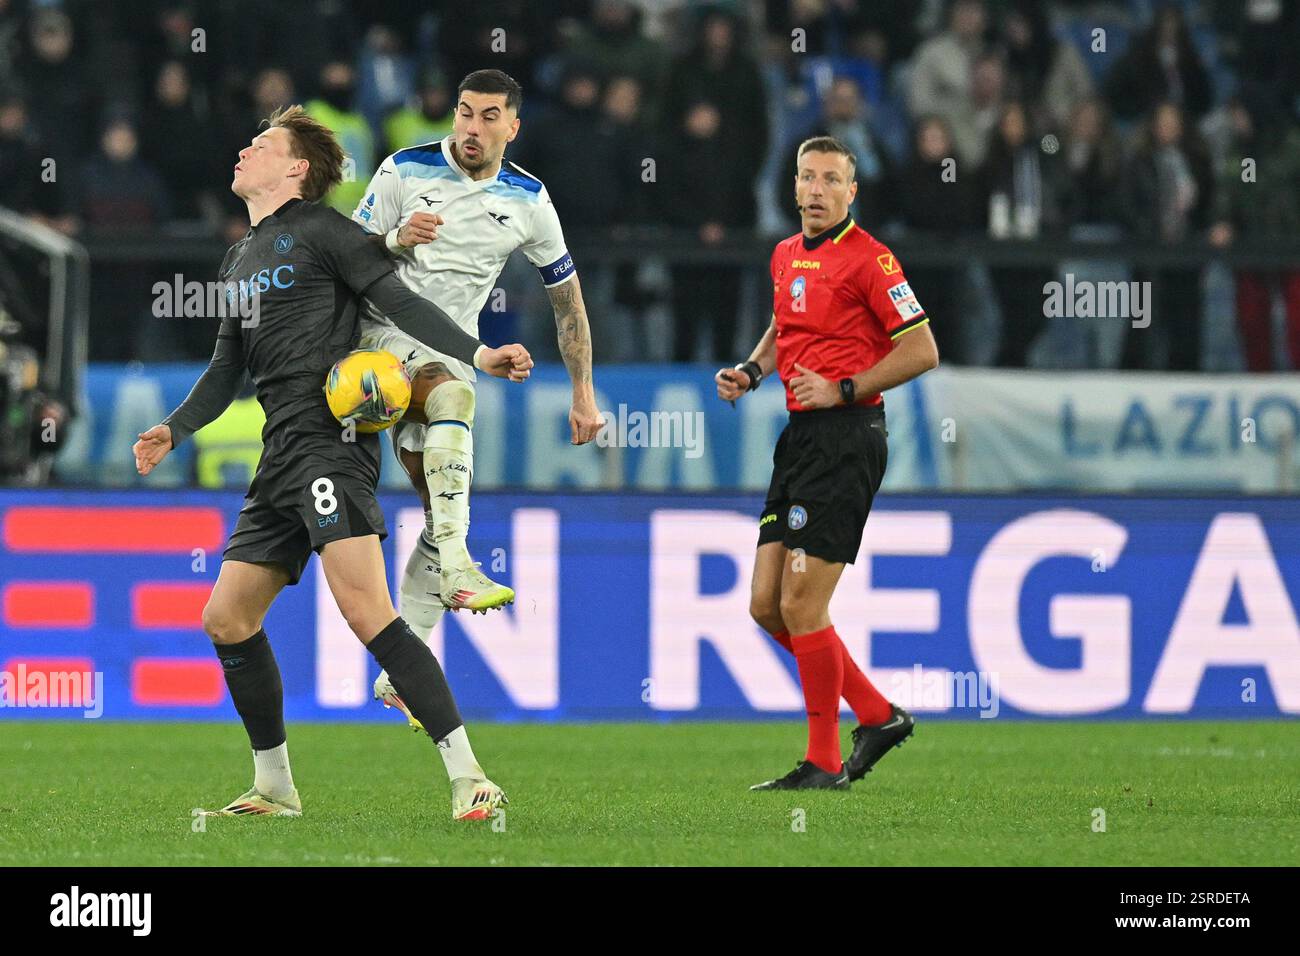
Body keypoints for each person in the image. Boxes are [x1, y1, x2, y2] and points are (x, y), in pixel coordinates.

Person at [132, 105, 533, 821]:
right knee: (226, 618)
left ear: (296, 169)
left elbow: (401, 300)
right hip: (278, 454)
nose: (243, 151)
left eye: (261, 144)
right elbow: (228, 368)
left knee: (367, 613)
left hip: (329, 445)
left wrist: (478, 355)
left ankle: (471, 777)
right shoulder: (239, 256)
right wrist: (174, 427)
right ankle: (275, 788)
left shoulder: (325, 230)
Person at [349, 69, 603, 726]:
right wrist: (395, 240)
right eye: (465, 112)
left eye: (489, 117)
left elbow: (566, 301)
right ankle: (461, 564)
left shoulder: (528, 200)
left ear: (512, 127)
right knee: (454, 399)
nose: (471, 127)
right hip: (371, 347)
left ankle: (403, 673)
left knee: (441, 505)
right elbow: (344, 260)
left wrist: (583, 392)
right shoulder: (404, 170)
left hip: (447, 350)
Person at [716, 136, 938, 790]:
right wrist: (754, 370)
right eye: (805, 178)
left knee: (803, 605)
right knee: (766, 605)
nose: (815, 190)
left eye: (829, 180)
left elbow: (923, 349)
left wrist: (847, 386)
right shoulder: (785, 255)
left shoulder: (874, 260)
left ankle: (823, 762)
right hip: (800, 439)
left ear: (851, 191)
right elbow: (787, 327)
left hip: (848, 438)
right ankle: (875, 714)